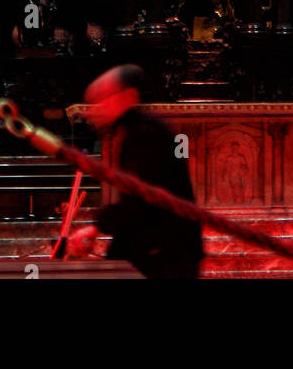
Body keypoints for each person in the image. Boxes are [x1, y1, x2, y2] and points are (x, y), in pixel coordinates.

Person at [67, 65, 202, 278]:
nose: (94, 110)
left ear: (127, 97)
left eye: (102, 100)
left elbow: (140, 202)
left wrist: (96, 227)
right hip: (163, 247)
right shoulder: (138, 131)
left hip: (168, 252)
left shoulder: (145, 135)